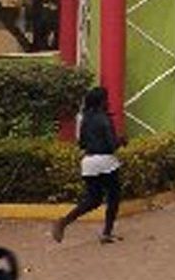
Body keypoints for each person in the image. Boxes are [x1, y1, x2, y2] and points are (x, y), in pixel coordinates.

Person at [52, 87, 123, 244]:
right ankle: (107, 233)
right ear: (101, 102)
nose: (108, 102)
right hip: (106, 162)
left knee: (93, 199)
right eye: (106, 99)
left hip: (88, 163)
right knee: (114, 197)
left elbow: (82, 144)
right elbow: (112, 145)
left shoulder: (84, 119)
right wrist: (121, 141)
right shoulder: (104, 119)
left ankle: (64, 221)